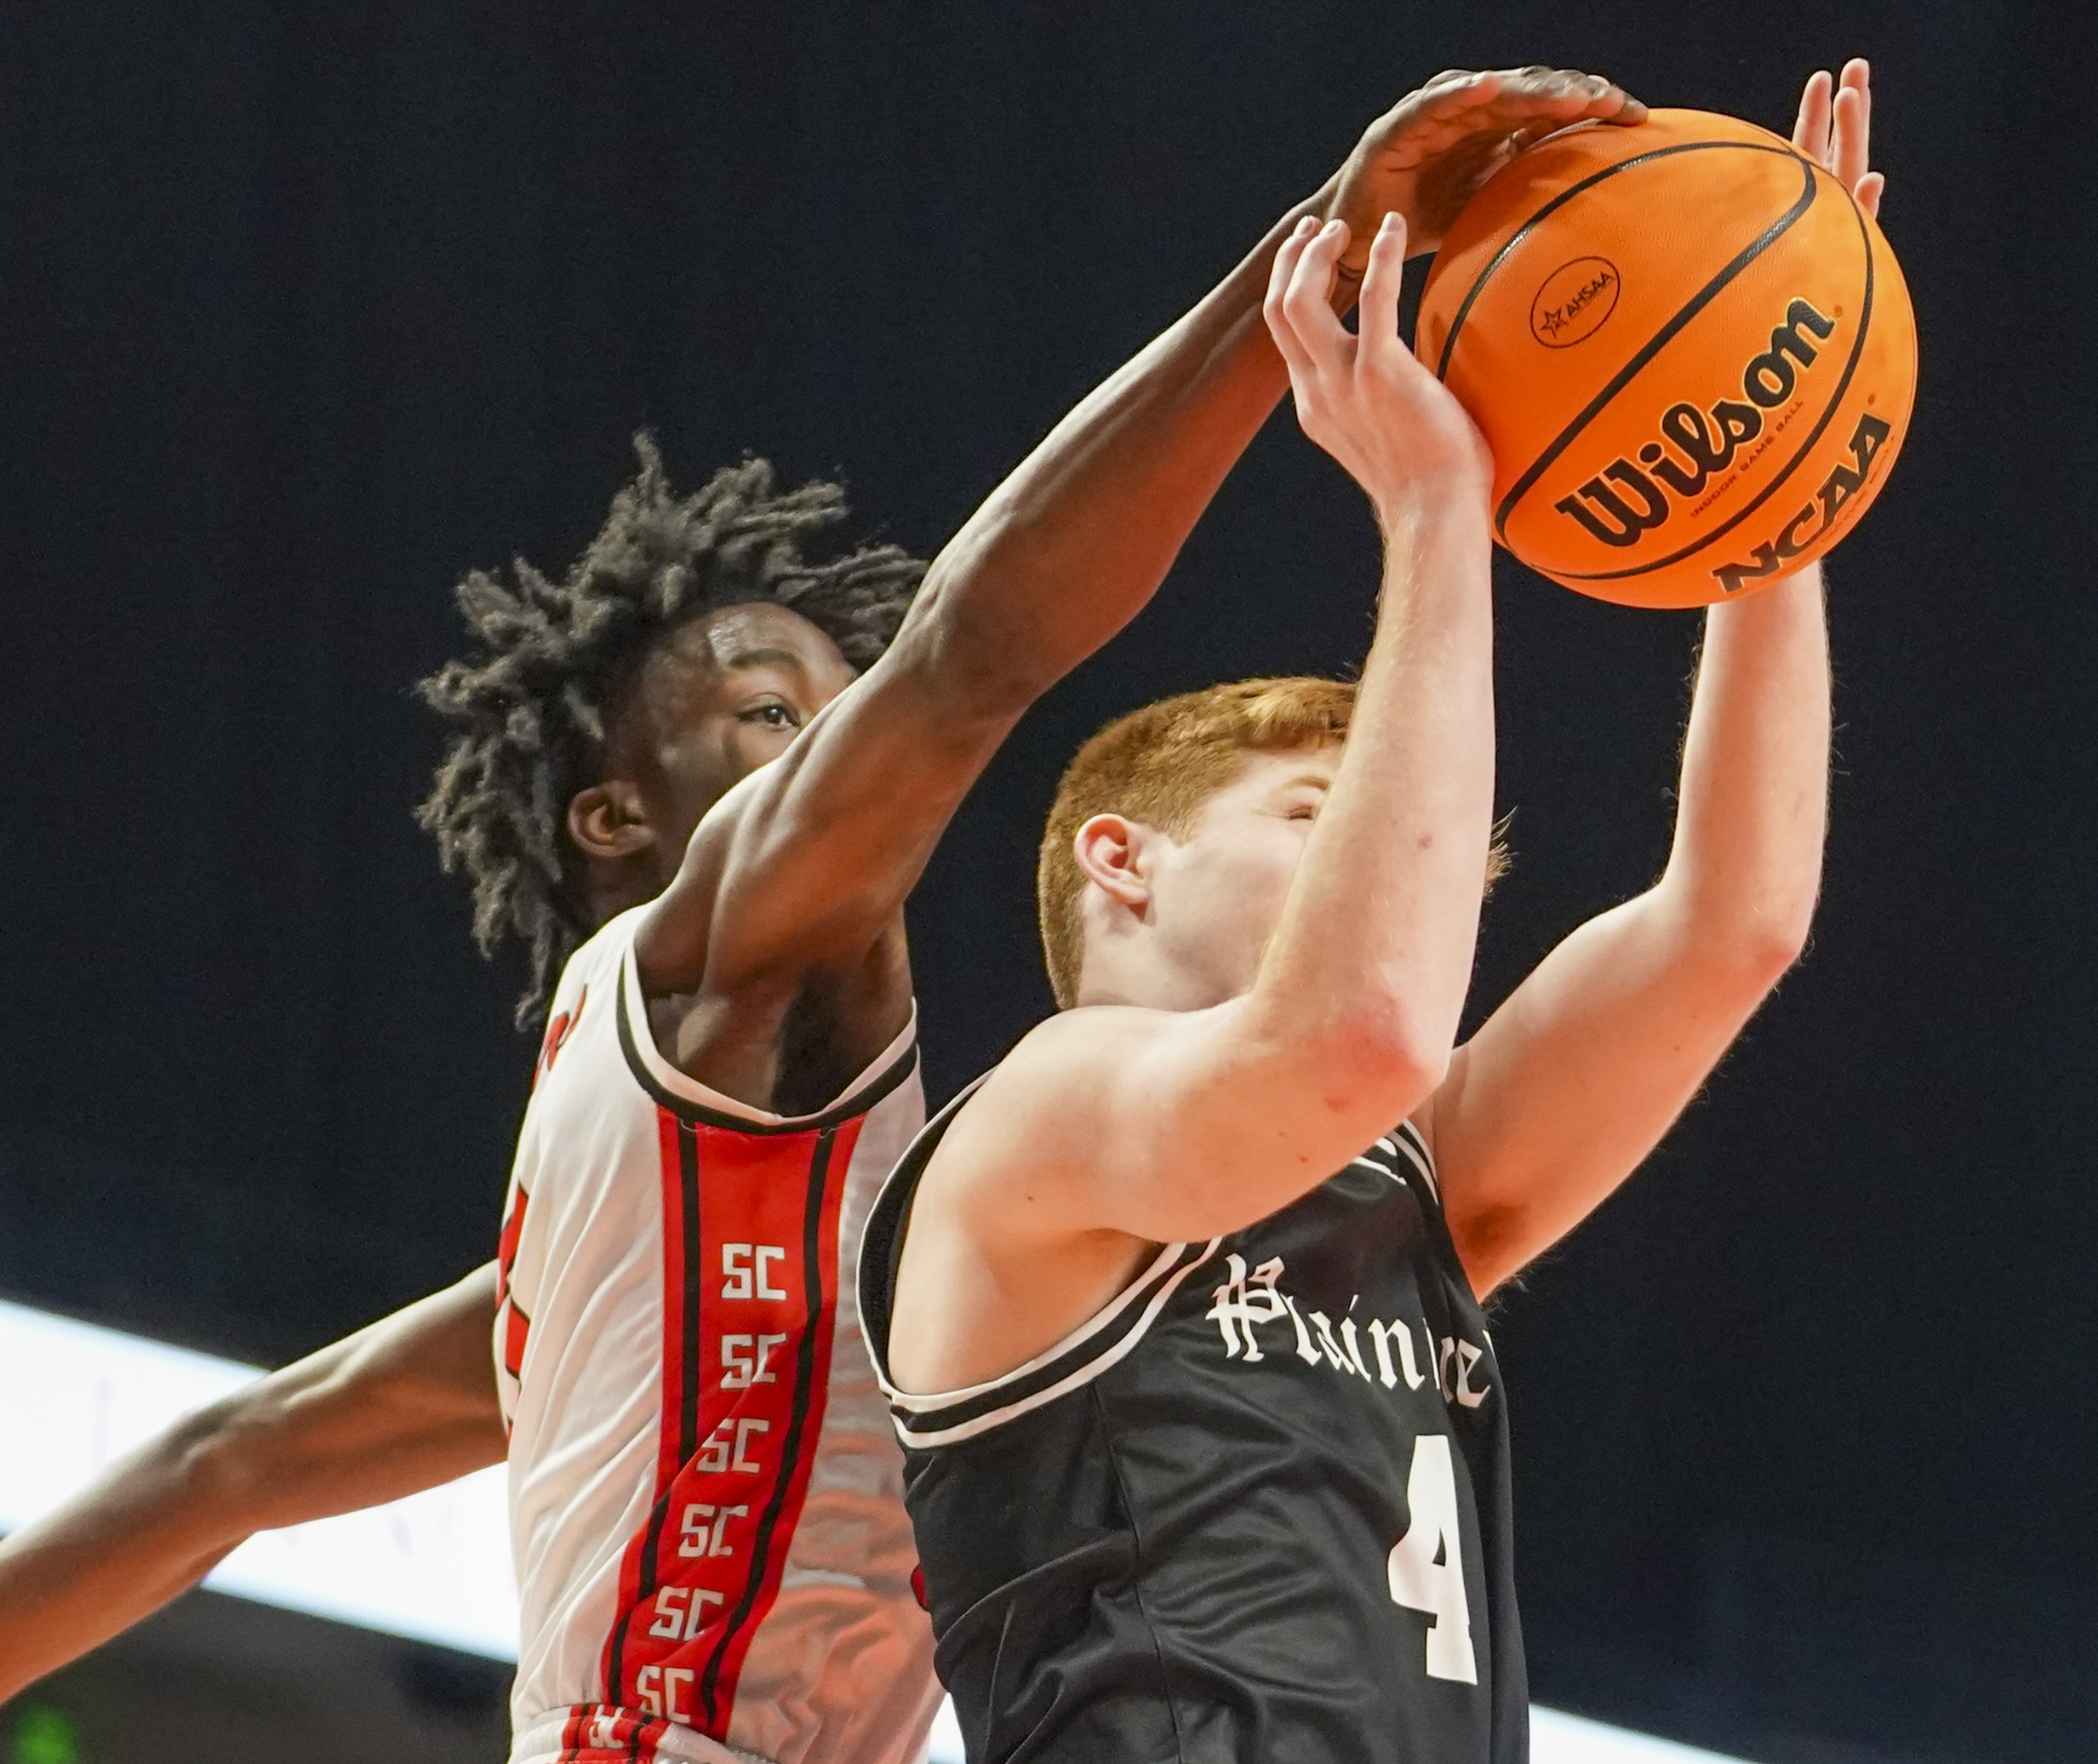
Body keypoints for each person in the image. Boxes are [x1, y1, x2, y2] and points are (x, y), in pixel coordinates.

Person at [0, 67, 1658, 1762]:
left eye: (840, 711)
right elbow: (977, 651)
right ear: (615, 811)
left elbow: (239, 1458)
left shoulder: (625, 1228)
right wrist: (1302, 264)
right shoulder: (709, 966)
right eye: (778, 715)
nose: (847, 753)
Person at [859, 66, 1880, 1764]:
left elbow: (1737, 921)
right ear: (1125, 857)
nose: (1412, 872)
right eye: (1319, 811)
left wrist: (1769, 504)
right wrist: (1433, 510)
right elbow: (1363, 1031)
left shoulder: (1417, 1183)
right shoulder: (1032, 1126)